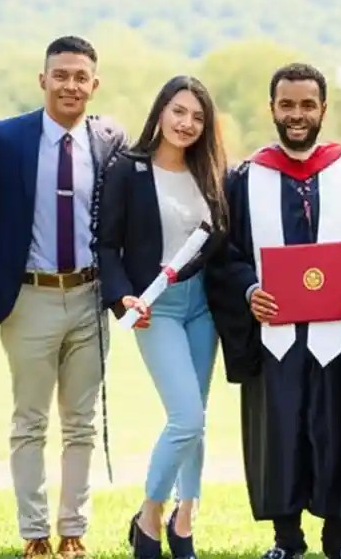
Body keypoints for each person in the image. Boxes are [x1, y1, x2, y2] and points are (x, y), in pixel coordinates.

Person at [208, 62, 341, 559]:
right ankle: (286, 541)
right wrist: (249, 290)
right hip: (277, 336)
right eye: (287, 105)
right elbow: (226, 257)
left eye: (307, 105)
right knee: (281, 435)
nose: (297, 115)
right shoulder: (247, 178)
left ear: (323, 108)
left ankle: (339, 541)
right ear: (272, 108)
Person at [0, 36, 126, 559]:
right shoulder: (5, 140)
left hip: (89, 295)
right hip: (28, 297)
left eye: (80, 76)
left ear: (94, 85)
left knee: (82, 422)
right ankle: (35, 533)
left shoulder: (110, 140)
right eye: (60, 74)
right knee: (29, 422)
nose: (70, 85)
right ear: (43, 80)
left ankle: (73, 533)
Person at [97, 75, 230, 559]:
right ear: (160, 111)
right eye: (179, 111)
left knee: (199, 417)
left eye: (197, 116)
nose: (187, 123)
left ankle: (185, 517)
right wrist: (121, 297)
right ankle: (149, 516)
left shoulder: (212, 172)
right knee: (185, 416)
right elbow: (107, 245)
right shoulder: (127, 170)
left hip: (204, 308)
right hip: (156, 308)